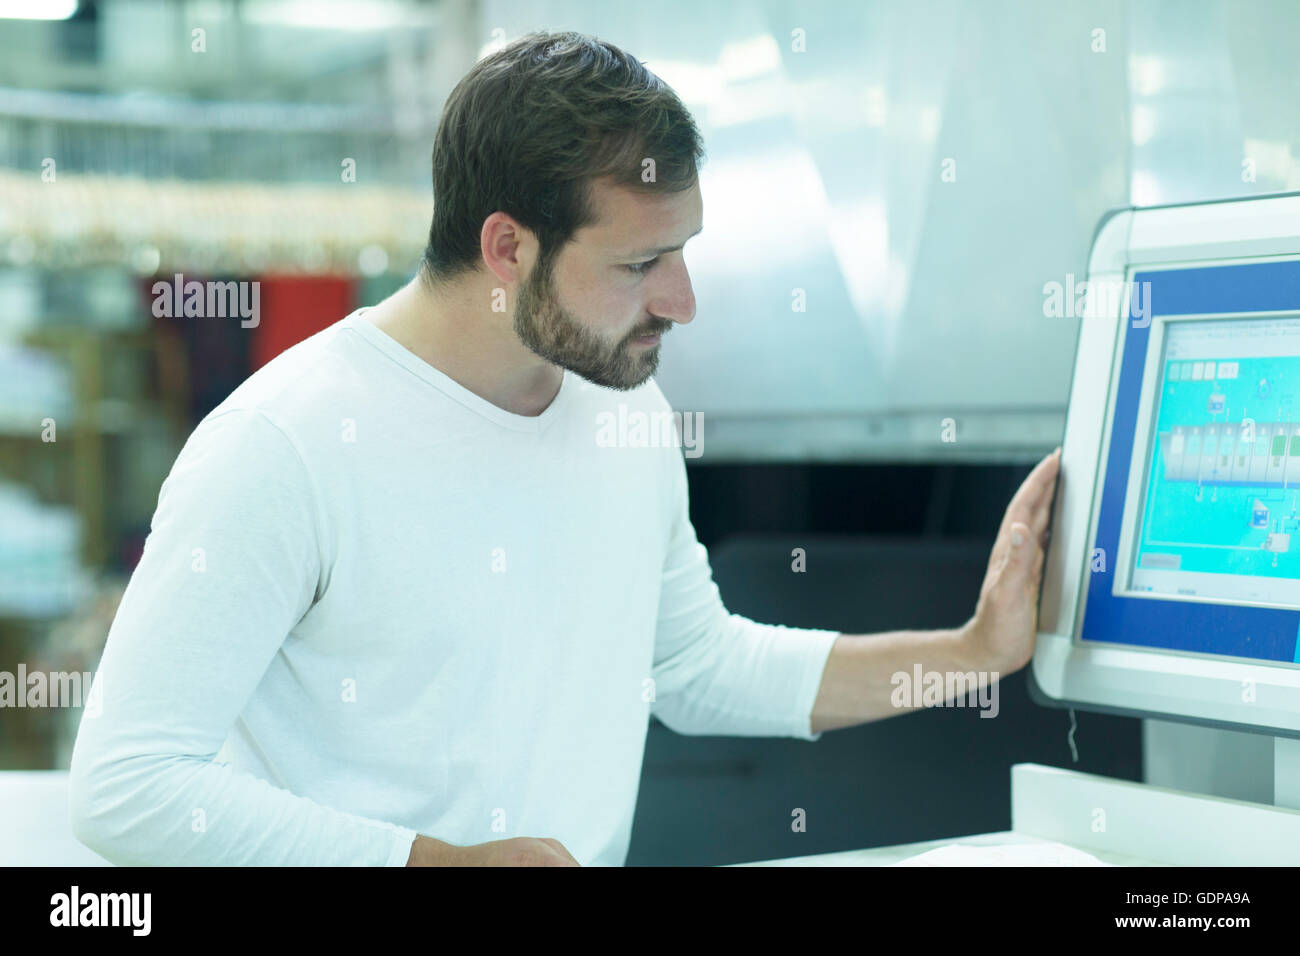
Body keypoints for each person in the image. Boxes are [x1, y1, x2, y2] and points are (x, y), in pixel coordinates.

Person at [68, 30, 1059, 867]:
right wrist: (428, 863)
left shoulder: (624, 412)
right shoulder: (282, 443)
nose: (681, 301)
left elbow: (696, 665)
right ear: (507, 249)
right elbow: (126, 784)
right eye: (638, 263)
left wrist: (971, 653)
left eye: (682, 251)